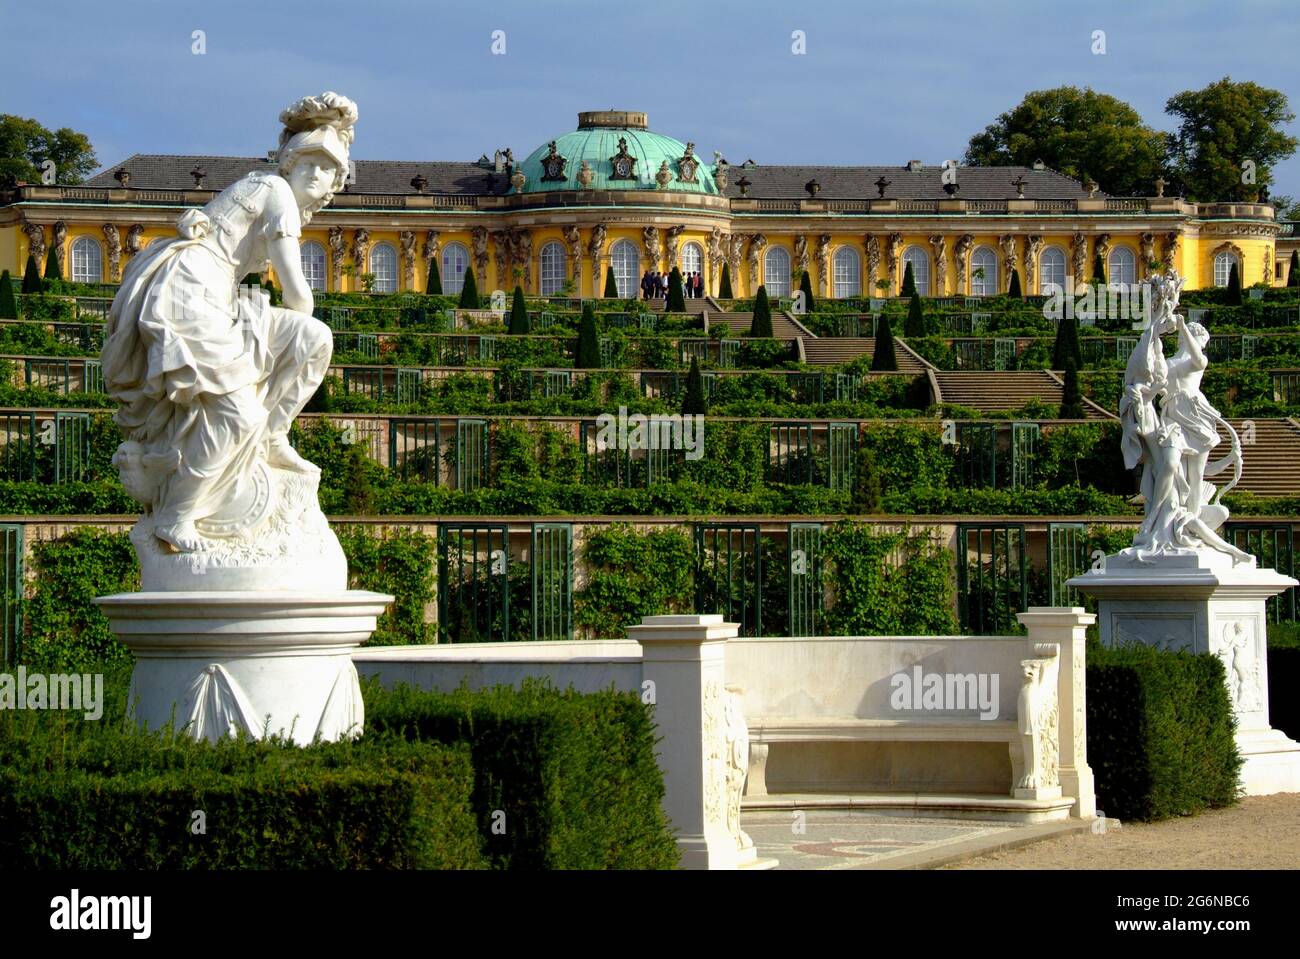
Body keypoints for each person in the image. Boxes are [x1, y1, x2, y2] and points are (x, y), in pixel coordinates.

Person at [102, 92, 357, 553]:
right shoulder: (275, 191)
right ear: (289, 164)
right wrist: (271, 339)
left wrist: (278, 337)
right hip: (191, 295)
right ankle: (178, 514)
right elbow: (298, 291)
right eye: (308, 164)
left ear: (335, 183)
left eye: (327, 170)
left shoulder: (270, 192)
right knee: (237, 414)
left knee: (314, 339)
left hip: (219, 297)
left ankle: (272, 434)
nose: (315, 176)